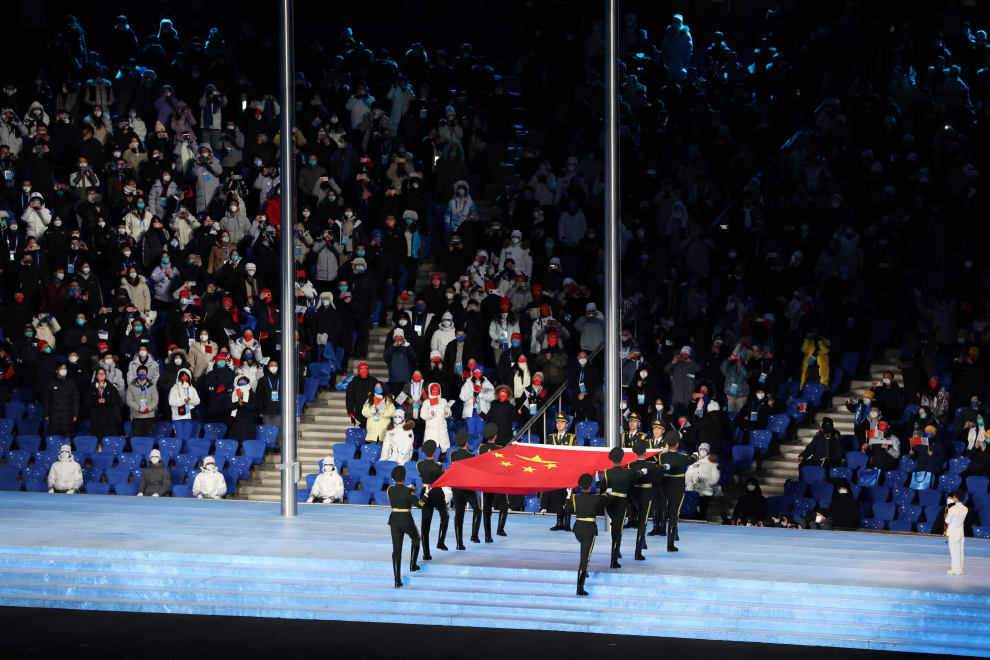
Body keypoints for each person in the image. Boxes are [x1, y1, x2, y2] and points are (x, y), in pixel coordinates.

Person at [563, 473, 605, 596]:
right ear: (590, 486)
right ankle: (579, 588)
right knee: (584, 559)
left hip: (578, 529)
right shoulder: (595, 498)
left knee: (584, 551)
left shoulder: (576, 498)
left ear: (580, 487)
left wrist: (568, 496)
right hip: (589, 530)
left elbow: (566, 508)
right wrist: (600, 484)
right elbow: (605, 497)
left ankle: (584, 571)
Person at [598, 446, 635, 568]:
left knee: (615, 525)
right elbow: (637, 477)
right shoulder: (628, 472)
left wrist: (598, 483)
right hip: (621, 502)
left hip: (609, 502)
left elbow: (602, 489)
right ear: (622, 458)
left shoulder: (607, 473)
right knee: (618, 530)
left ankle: (617, 552)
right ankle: (614, 560)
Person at [387, 465, 423, 587]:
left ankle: (397, 580)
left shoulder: (390, 490)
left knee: (396, 550)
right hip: (406, 520)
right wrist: (426, 494)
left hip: (394, 521)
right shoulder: (408, 491)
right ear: (404, 478)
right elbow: (420, 504)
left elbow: (391, 499)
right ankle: (413, 564)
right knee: (416, 538)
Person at [659, 435, 696, 551]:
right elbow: (693, 459)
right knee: (674, 515)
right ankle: (670, 544)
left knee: (666, 510)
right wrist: (696, 453)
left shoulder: (661, 457)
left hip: (664, 487)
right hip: (677, 489)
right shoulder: (682, 457)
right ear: (677, 444)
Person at [416, 439, 449, 559]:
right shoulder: (438, 466)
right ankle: (440, 542)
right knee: (444, 515)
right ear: (434, 452)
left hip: (424, 491)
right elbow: (444, 477)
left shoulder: (419, 464)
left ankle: (426, 553)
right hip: (435, 491)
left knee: (425, 522)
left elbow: (420, 474)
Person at [448, 430, 481, 549]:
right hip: (467, 487)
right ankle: (474, 535)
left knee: (459, 514)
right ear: (467, 442)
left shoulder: (452, 454)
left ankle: (459, 543)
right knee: (477, 508)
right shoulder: (471, 456)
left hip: (456, 487)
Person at [478, 423, 509, 540]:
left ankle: (487, 535)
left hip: (486, 481)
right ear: (495, 435)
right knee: (504, 504)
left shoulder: (481, 448)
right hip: (499, 481)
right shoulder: (500, 449)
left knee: (487, 507)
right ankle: (500, 529)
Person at [685, 443, 721, 520]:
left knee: (705, 497)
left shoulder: (713, 462)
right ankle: (693, 515)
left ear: (708, 451)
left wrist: (706, 484)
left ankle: (702, 516)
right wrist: (689, 484)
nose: (702, 451)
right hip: (694, 486)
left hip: (707, 487)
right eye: (701, 449)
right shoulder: (694, 461)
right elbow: (688, 475)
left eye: (704, 449)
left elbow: (715, 477)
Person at [43, 363, 79, 438]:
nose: (64, 370)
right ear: (56, 371)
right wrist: (46, 414)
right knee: (53, 436)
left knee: (67, 437)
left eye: (65, 368)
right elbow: (46, 400)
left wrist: (75, 414)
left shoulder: (71, 382)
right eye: (61, 369)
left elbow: (75, 400)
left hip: (68, 415)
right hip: (54, 415)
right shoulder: (51, 383)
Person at [126, 365, 158, 438]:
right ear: (137, 374)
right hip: (137, 415)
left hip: (149, 415)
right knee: (137, 436)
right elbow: (129, 400)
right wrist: (138, 408)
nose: (142, 373)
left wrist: (148, 408)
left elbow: (155, 400)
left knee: (148, 436)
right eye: (140, 372)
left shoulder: (152, 386)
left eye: (143, 372)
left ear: (146, 374)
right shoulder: (131, 386)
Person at [168, 368, 201, 440]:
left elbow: (197, 401)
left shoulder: (192, 388)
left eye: (186, 376)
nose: (184, 378)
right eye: (183, 376)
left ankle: (186, 452)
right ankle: (179, 451)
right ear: (179, 377)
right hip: (177, 417)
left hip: (188, 417)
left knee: (187, 439)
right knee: (179, 439)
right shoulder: (174, 388)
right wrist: (183, 401)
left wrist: (189, 401)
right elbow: (171, 402)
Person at [945, 489, 968, 575]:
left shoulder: (953, 509)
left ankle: (956, 569)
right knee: (960, 551)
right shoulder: (965, 508)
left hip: (954, 532)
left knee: (954, 551)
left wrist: (947, 516)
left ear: (955, 497)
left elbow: (947, 521)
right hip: (960, 532)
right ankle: (960, 568)